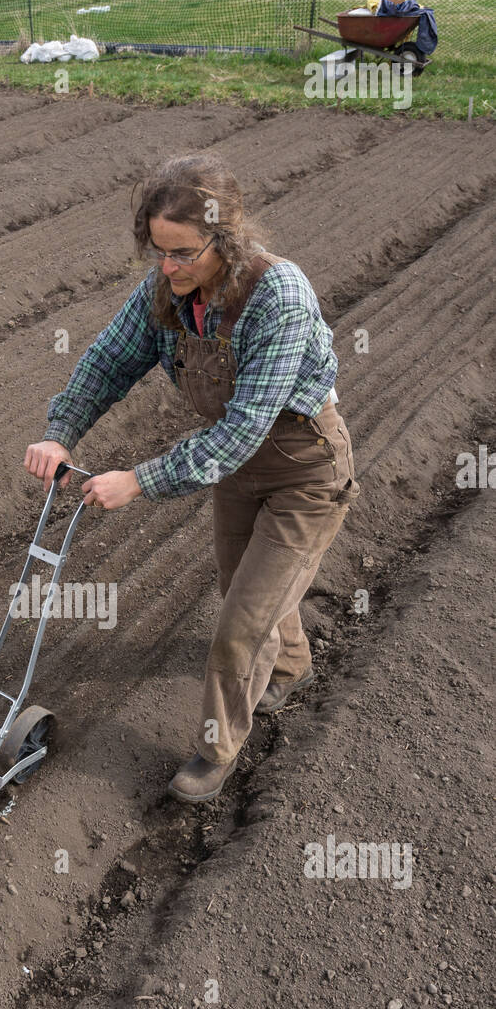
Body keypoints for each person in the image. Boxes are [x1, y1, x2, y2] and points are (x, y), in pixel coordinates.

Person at [24, 152, 360, 803]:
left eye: (182, 254)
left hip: (303, 470)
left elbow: (240, 431)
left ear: (224, 241)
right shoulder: (166, 293)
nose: (167, 268)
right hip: (235, 470)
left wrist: (139, 480)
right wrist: (60, 429)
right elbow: (108, 361)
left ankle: (213, 752)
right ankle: (290, 668)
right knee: (246, 589)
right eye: (157, 252)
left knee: (239, 624)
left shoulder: (277, 297)